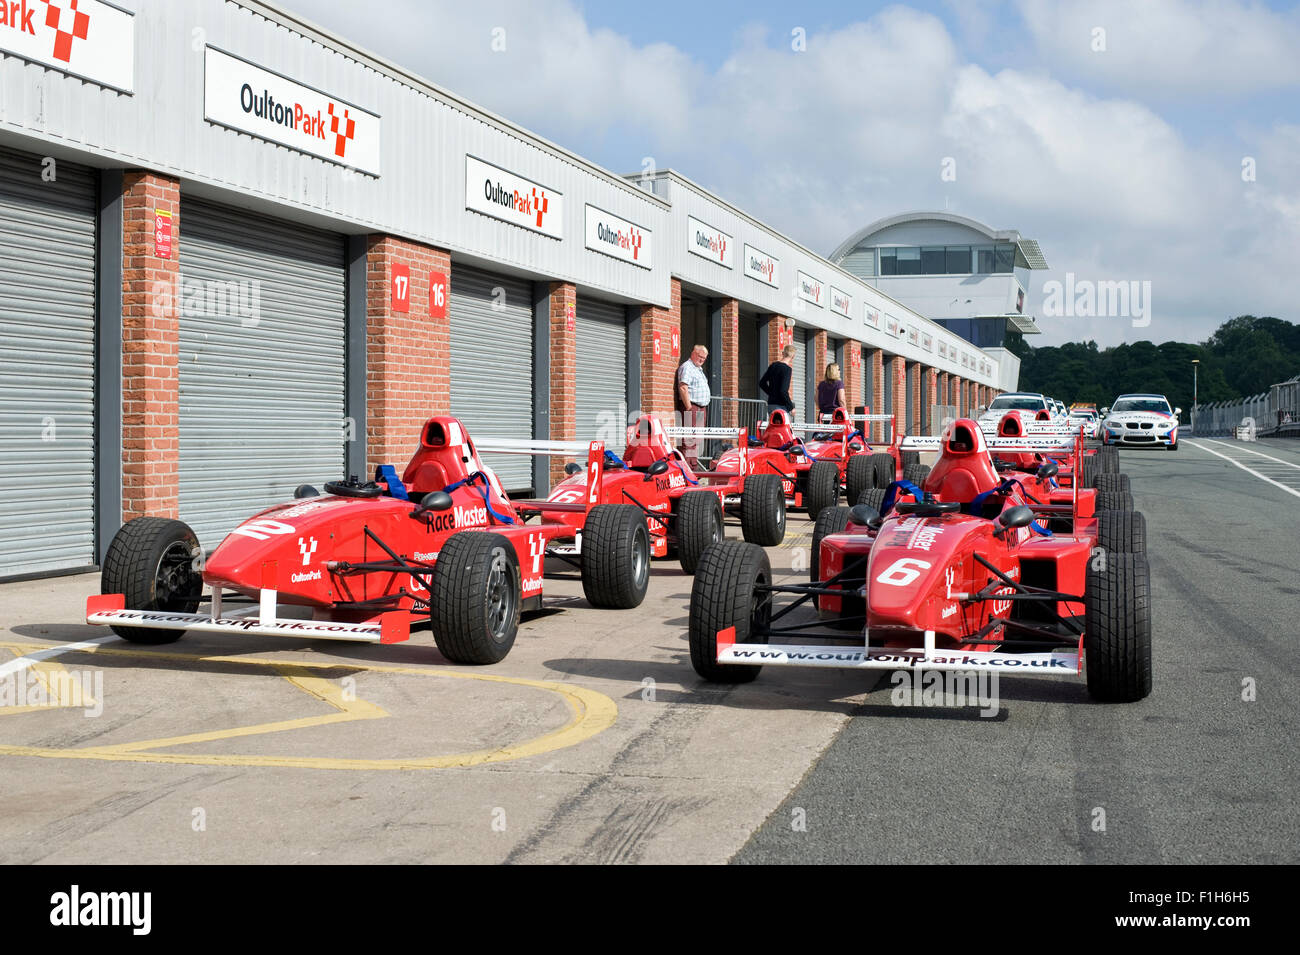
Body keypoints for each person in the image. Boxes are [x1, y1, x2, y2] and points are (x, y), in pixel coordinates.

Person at [676, 344, 711, 468]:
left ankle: (693, 466)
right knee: (689, 439)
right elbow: (683, 387)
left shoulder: (698, 369)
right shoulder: (687, 367)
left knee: (697, 438)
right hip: (692, 407)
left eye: (704, 358)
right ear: (693, 354)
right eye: (700, 356)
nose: (702, 360)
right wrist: (689, 408)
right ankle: (687, 468)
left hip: (700, 407)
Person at [760, 344, 797, 418]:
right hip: (781, 406)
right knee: (783, 429)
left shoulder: (773, 365)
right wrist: (791, 407)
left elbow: (762, 383)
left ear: (783, 354)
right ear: (793, 357)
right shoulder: (787, 369)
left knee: (773, 428)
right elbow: (783, 390)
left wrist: (771, 393)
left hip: (771, 405)